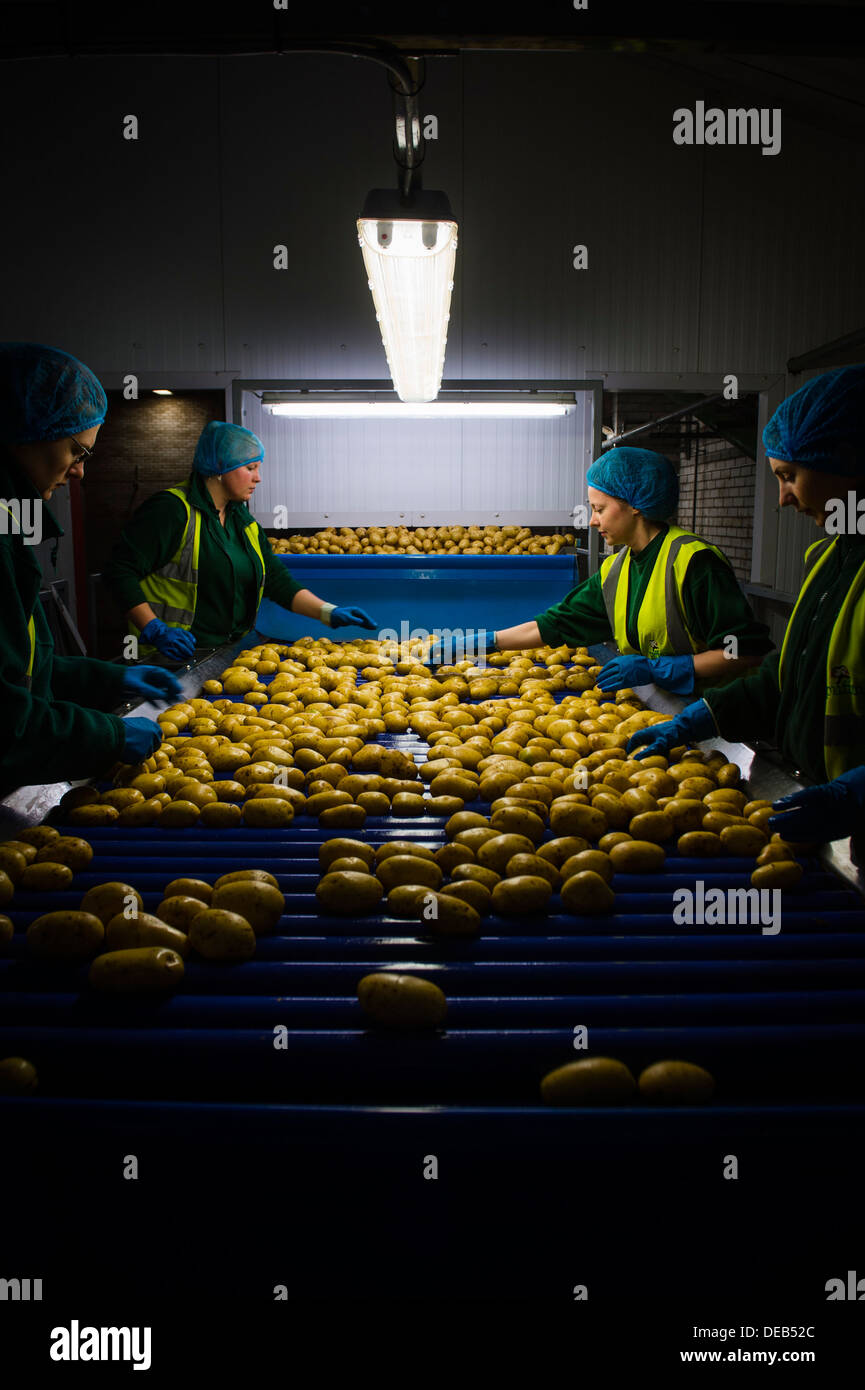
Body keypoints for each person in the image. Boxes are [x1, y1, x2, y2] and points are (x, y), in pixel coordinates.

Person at [627, 365, 865, 845]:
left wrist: (857, 794)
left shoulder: (694, 560)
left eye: (790, 476)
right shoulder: (830, 561)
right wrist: (702, 718)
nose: (782, 498)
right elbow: (784, 678)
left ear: (851, 460)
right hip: (831, 814)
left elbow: (747, 652)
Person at [429, 446, 772, 693]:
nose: (592, 521)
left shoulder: (694, 562)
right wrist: (479, 643)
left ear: (635, 505)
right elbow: (554, 625)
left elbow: (744, 652)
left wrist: (664, 668)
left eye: (600, 509)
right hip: (666, 706)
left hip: (718, 715)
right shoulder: (617, 568)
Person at [0, 342, 179, 795]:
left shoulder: (10, 522)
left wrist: (111, 678)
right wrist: (110, 736)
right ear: (26, 433)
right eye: (77, 452)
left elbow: (23, 670)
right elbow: (4, 721)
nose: (79, 472)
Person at [104, 421, 377, 659]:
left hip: (223, 654)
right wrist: (154, 628)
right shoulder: (172, 510)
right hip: (167, 658)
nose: (258, 478)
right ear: (221, 467)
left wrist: (329, 613)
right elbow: (119, 571)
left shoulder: (241, 521)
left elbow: (276, 581)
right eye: (250, 468)